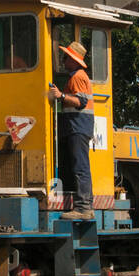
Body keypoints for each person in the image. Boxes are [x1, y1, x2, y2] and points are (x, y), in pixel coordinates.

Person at [48, 39, 94, 220]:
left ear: (74, 60)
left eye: (66, 57)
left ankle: (83, 207)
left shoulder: (78, 77)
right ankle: (84, 206)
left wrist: (61, 96)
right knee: (78, 165)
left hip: (78, 126)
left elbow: (81, 102)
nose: (63, 60)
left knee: (80, 166)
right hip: (76, 126)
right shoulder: (77, 76)